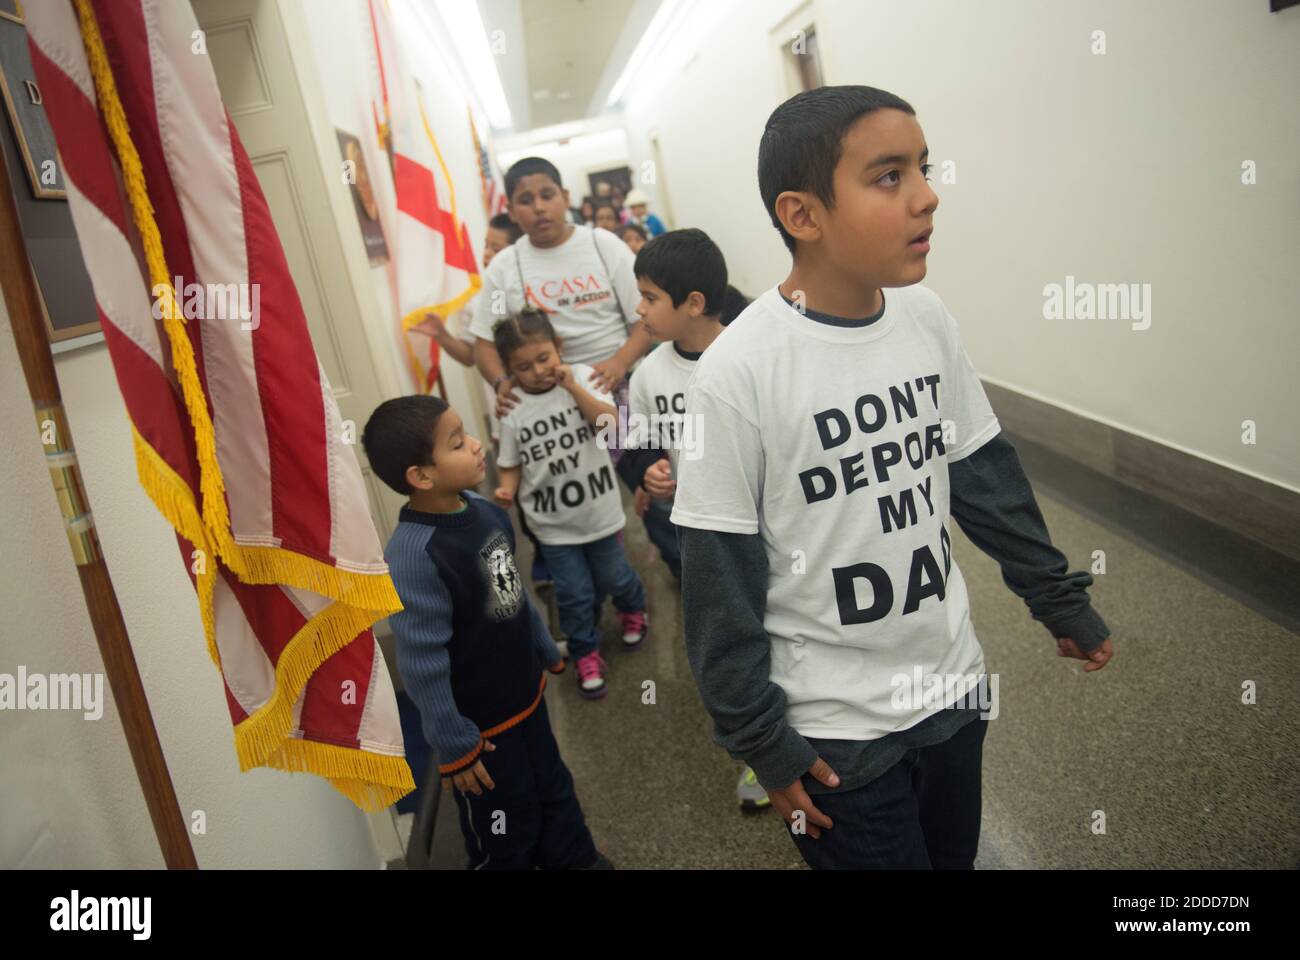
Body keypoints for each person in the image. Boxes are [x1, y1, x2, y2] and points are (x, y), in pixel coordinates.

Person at [671, 85, 1115, 869]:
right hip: (835, 734)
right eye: (889, 177)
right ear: (803, 215)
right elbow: (719, 581)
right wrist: (762, 744)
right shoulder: (738, 372)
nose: (928, 195)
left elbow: (982, 475)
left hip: (953, 690)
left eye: (924, 168)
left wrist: (1056, 597)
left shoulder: (924, 318)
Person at [361, 395, 612, 870]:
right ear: (422, 476)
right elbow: (421, 663)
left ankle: (576, 859)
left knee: (553, 788)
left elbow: (510, 593)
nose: (477, 446)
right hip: (482, 732)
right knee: (505, 822)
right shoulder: (414, 556)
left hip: (527, 698)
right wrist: (455, 742)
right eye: (458, 443)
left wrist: (541, 644)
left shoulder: (484, 511)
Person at [491, 309, 650, 700]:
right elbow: (509, 461)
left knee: (614, 575)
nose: (538, 371)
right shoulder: (511, 407)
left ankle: (633, 607)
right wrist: (506, 489)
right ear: (510, 371)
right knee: (573, 593)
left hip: (599, 512)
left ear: (559, 348)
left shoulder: (581, 377)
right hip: (552, 523)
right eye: (523, 367)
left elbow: (610, 425)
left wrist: (573, 389)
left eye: (544, 358)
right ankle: (585, 652)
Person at [468, 157, 652, 426]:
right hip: (551, 407)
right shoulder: (503, 269)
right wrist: (501, 382)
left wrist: (620, 362)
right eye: (526, 200)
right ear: (511, 211)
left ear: (565, 197)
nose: (539, 207)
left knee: (645, 467)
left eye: (547, 195)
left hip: (623, 388)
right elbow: (485, 343)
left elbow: (646, 319)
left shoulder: (605, 245)